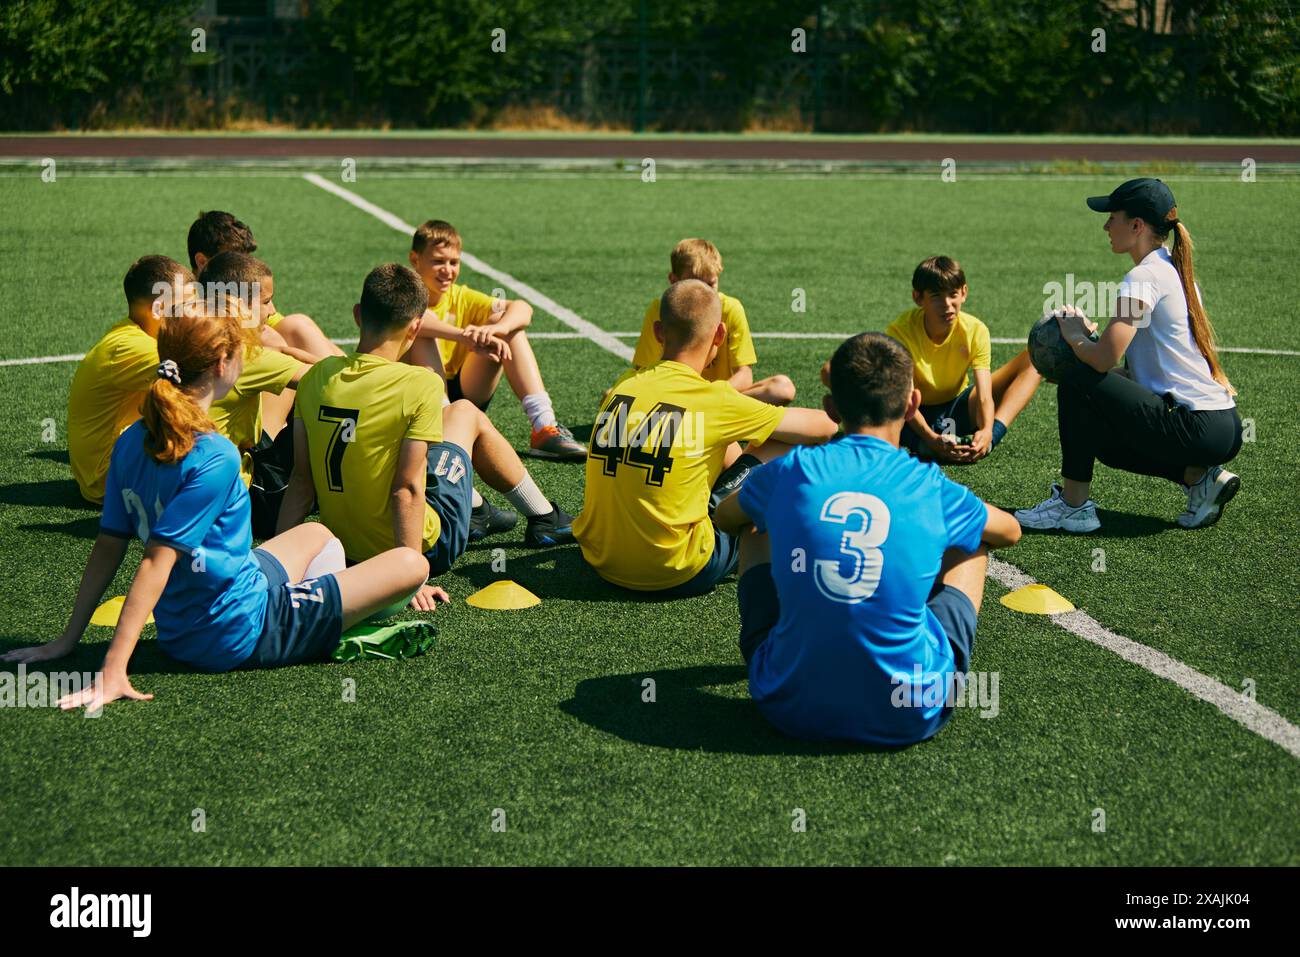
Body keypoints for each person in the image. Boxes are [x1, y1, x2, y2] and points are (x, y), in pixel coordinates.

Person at [1, 300, 433, 710]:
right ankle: (326, 628)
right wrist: (114, 667)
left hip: (183, 627)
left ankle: (319, 612)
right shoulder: (215, 456)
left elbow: (108, 546)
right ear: (224, 364)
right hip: (238, 633)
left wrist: (66, 641)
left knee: (318, 534)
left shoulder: (132, 439)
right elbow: (156, 561)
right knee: (412, 566)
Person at [715, 332, 1022, 745]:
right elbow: (1010, 531)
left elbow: (725, 515)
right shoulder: (930, 487)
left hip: (788, 705)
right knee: (974, 541)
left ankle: (794, 653)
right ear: (913, 404)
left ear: (831, 409)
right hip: (909, 713)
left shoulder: (794, 471)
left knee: (756, 523)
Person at [277, 264, 575, 605]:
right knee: (465, 414)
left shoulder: (315, 378)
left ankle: (481, 511)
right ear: (416, 327)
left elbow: (301, 481)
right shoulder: (420, 383)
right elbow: (407, 488)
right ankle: (544, 517)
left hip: (345, 551)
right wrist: (408, 574)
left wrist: (283, 560)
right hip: (420, 548)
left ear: (358, 315)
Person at [574, 279, 837, 597]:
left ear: (658, 332)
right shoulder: (713, 399)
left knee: (719, 440)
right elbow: (824, 427)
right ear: (720, 335)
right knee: (781, 442)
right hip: (679, 569)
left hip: (602, 563)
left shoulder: (623, 384)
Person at [1015, 178, 1242, 532]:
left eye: (1113, 218)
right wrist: (1090, 349)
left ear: (1136, 225)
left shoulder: (1143, 277)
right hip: (1223, 425)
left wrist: (1076, 339)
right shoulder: (1175, 272)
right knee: (1103, 438)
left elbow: (1104, 359)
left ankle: (1073, 507)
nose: (1106, 226)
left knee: (1076, 383)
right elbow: (1135, 371)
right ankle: (1198, 478)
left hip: (1195, 425)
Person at [405, 219, 587, 461]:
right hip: (419, 398)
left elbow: (523, 308)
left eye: (454, 262)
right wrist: (464, 335)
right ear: (415, 260)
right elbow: (413, 319)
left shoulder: (461, 296)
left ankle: (544, 426)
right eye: (438, 261)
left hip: (462, 389)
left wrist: (496, 329)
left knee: (508, 327)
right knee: (420, 331)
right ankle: (442, 427)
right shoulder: (405, 289)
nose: (448, 270)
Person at [883, 255, 1041, 463]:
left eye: (953, 294)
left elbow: (984, 395)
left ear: (964, 293)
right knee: (877, 395)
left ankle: (988, 441)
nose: (947, 304)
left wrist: (987, 431)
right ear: (918, 298)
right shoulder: (899, 331)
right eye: (937, 296)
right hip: (911, 415)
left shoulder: (975, 330)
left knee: (1035, 359)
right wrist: (930, 439)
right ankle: (919, 444)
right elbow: (907, 399)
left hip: (957, 408)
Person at [199, 251, 311, 537]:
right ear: (237, 306)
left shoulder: (193, 338)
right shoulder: (244, 357)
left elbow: (278, 356)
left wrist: (285, 351)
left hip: (190, 487)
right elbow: (331, 381)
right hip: (238, 502)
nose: (272, 310)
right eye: (265, 301)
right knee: (320, 410)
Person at [68, 255, 194, 503]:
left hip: (115, 466)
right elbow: (206, 372)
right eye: (187, 305)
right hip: (108, 478)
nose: (195, 313)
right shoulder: (133, 346)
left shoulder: (131, 332)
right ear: (159, 309)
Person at [631, 238, 795, 405]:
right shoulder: (661, 309)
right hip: (674, 397)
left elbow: (745, 375)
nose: (704, 293)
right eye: (695, 284)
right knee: (615, 393)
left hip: (717, 398)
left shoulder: (730, 309)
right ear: (673, 280)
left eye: (710, 284)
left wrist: (708, 395)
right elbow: (643, 371)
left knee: (782, 387)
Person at [186, 210, 343, 362]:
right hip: (223, 370)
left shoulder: (244, 291)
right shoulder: (185, 299)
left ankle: (350, 377)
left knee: (298, 325)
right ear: (202, 262)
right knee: (289, 329)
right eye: (233, 259)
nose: (244, 267)